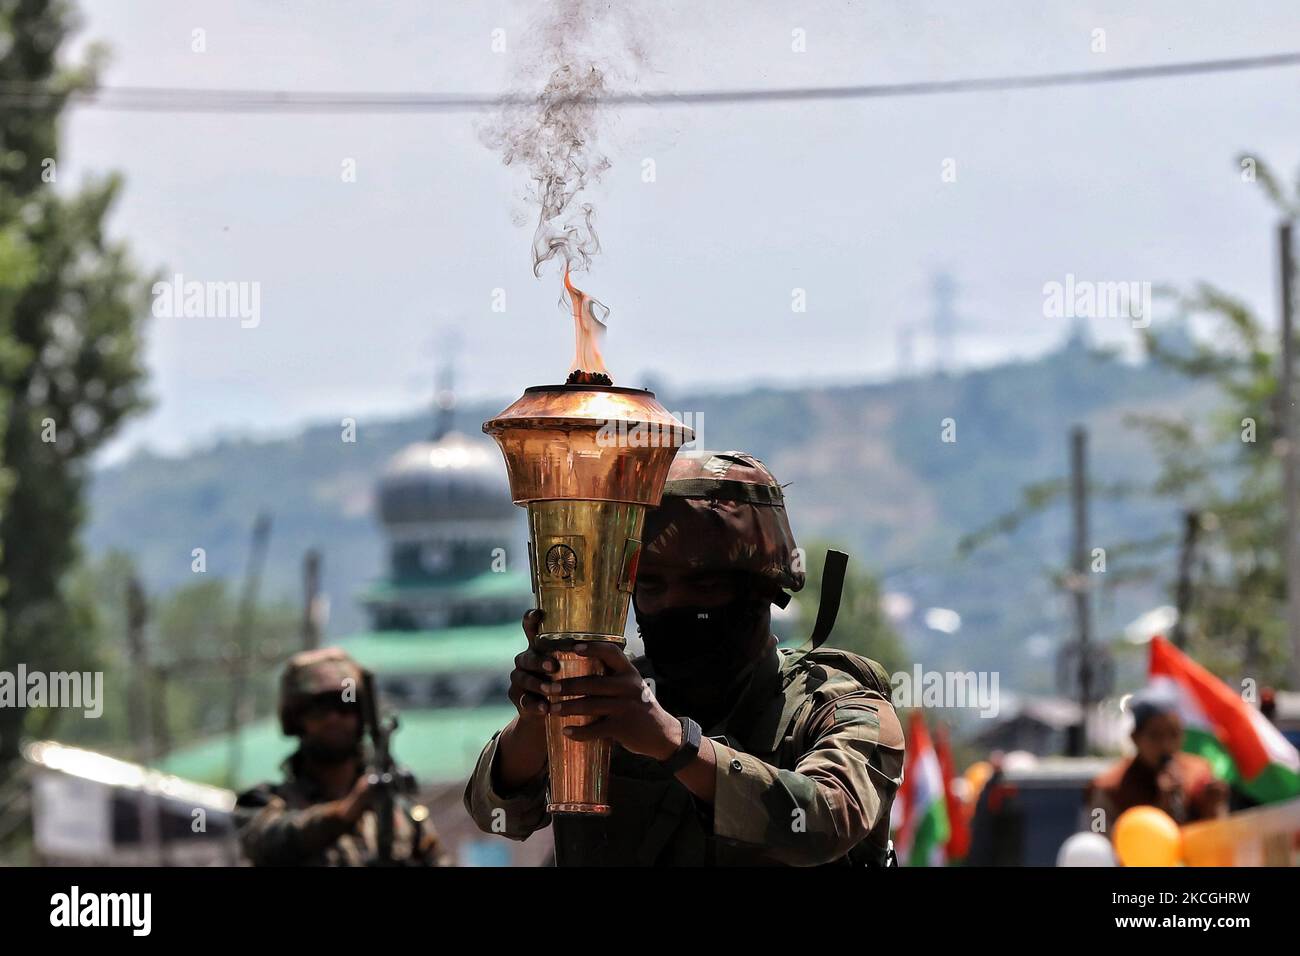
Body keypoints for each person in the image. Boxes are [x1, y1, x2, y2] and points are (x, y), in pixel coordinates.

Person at [464, 450, 905, 866]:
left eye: (705, 586)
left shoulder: (837, 706)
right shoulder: (610, 699)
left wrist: (672, 744)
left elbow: (825, 822)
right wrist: (541, 715)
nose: (676, 606)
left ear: (763, 590)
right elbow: (497, 811)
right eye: (652, 587)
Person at [236, 647, 449, 866]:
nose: (334, 719)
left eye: (345, 706)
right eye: (320, 708)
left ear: (361, 716)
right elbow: (270, 844)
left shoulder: (401, 816)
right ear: (296, 718)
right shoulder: (265, 805)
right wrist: (347, 810)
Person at [1088, 685, 1228, 826]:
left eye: (1174, 734)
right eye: (1155, 736)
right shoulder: (1109, 787)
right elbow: (1099, 839)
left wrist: (1213, 808)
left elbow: (1218, 836)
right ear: (1135, 738)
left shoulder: (1199, 773)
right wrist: (1161, 809)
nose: (1166, 745)